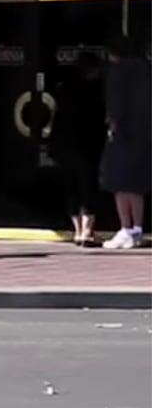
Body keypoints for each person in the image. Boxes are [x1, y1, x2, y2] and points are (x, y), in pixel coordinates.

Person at [48, 50, 107, 246]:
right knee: (88, 187)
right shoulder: (95, 91)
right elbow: (98, 121)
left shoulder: (65, 89)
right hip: (86, 146)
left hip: (65, 145)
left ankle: (78, 230)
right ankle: (88, 231)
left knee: (71, 188)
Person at [100, 34, 151, 249]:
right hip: (145, 134)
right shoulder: (146, 70)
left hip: (124, 134)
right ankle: (137, 228)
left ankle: (125, 227)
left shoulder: (118, 71)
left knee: (119, 183)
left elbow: (115, 105)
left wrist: (112, 125)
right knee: (136, 185)